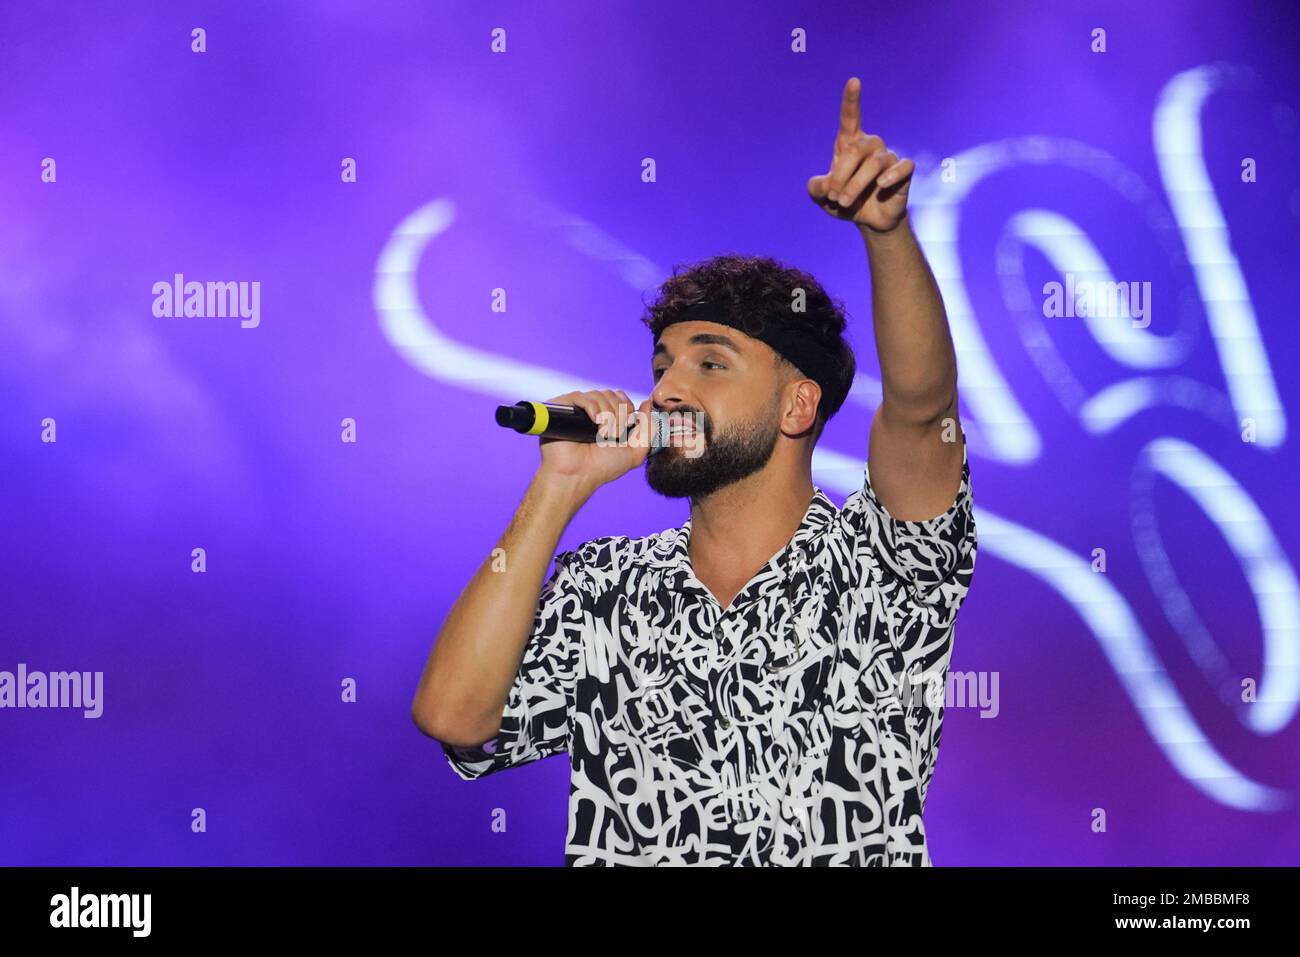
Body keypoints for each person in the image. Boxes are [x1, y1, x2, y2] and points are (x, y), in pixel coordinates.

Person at [412, 76, 977, 865]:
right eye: (662, 363)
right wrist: (558, 486)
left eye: (711, 363)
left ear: (797, 405)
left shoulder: (881, 568)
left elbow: (922, 411)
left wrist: (885, 233)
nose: (669, 387)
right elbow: (453, 715)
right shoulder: (603, 587)